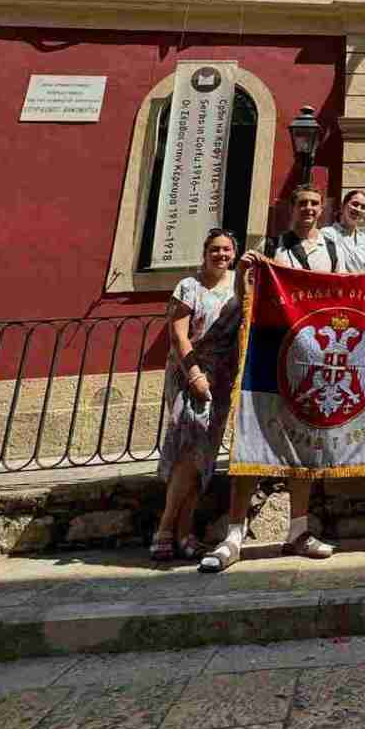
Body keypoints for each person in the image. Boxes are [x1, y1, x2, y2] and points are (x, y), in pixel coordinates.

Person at [202, 188, 340, 572]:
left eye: (314, 204)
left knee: (304, 445)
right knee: (252, 441)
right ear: (291, 209)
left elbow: (343, 293)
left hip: (310, 358)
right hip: (269, 354)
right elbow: (246, 297)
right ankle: (233, 535)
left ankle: (298, 531)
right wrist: (244, 272)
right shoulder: (272, 247)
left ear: (322, 209)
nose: (308, 209)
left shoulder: (332, 249)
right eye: (302, 203)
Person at [153, 229, 243, 561]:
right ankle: (165, 528)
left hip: (221, 377)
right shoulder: (188, 286)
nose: (221, 255)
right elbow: (178, 336)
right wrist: (194, 376)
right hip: (188, 372)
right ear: (205, 252)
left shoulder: (239, 286)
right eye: (215, 249)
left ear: (234, 254)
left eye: (227, 250)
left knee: (202, 455)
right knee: (189, 449)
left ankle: (184, 533)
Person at [324, 189, 365, 274]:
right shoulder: (327, 234)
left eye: (363, 207)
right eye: (355, 204)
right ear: (342, 206)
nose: (358, 209)